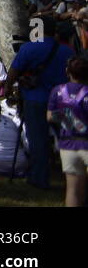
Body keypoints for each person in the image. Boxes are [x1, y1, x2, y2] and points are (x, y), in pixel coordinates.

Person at [10, 22, 75, 190]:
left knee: (38, 140)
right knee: (68, 138)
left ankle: (39, 178)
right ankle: (73, 176)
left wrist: (8, 88)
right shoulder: (67, 50)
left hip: (35, 99)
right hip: (63, 99)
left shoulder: (29, 48)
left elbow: (14, 71)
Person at [47, 55, 88, 208]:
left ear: (67, 72)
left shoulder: (58, 91)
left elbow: (50, 117)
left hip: (68, 144)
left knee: (72, 191)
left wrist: (70, 121)